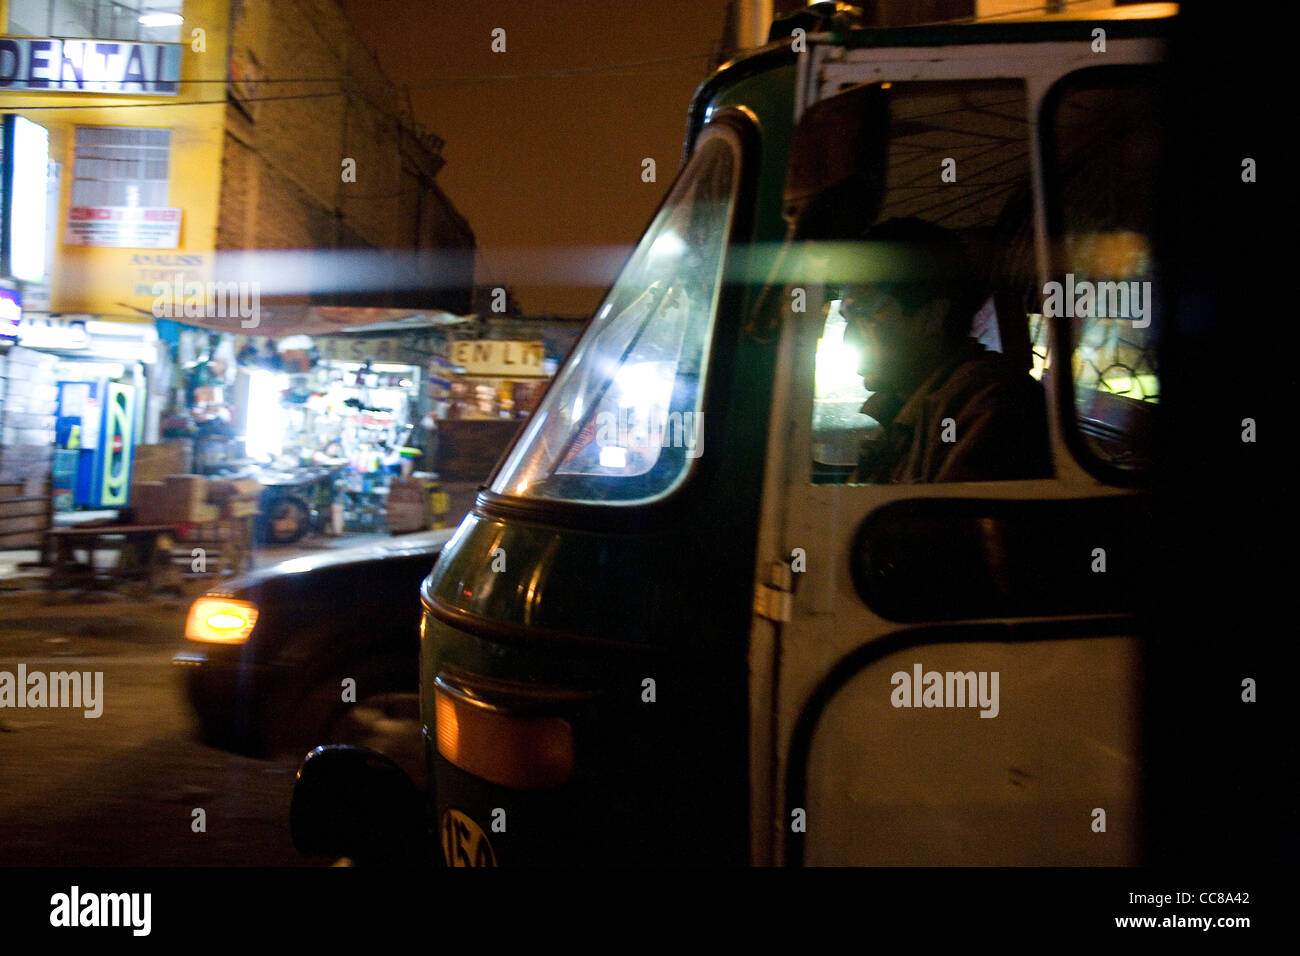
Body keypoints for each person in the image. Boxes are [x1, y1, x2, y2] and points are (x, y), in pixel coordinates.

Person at [841, 218, 1050, 484]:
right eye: (847, 318)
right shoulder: (902, 407)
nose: (849, 337)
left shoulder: (991, 404)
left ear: (931, 318)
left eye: (864, 313)